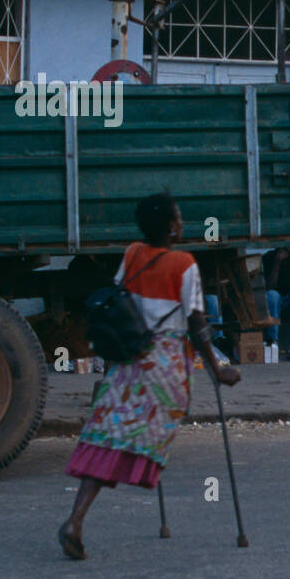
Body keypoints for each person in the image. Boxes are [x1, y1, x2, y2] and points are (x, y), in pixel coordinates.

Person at [58, 192, 241, 560]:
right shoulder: (184, 264)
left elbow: (122, 295)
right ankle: (135, 470)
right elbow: (197, 322)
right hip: (165, 366)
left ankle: (75, 519)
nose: (183, 223)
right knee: (144, 434)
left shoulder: (132, 254)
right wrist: (218, 368)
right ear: (172, 228)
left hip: (129, 360)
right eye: (180, 218)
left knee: (107, 436)